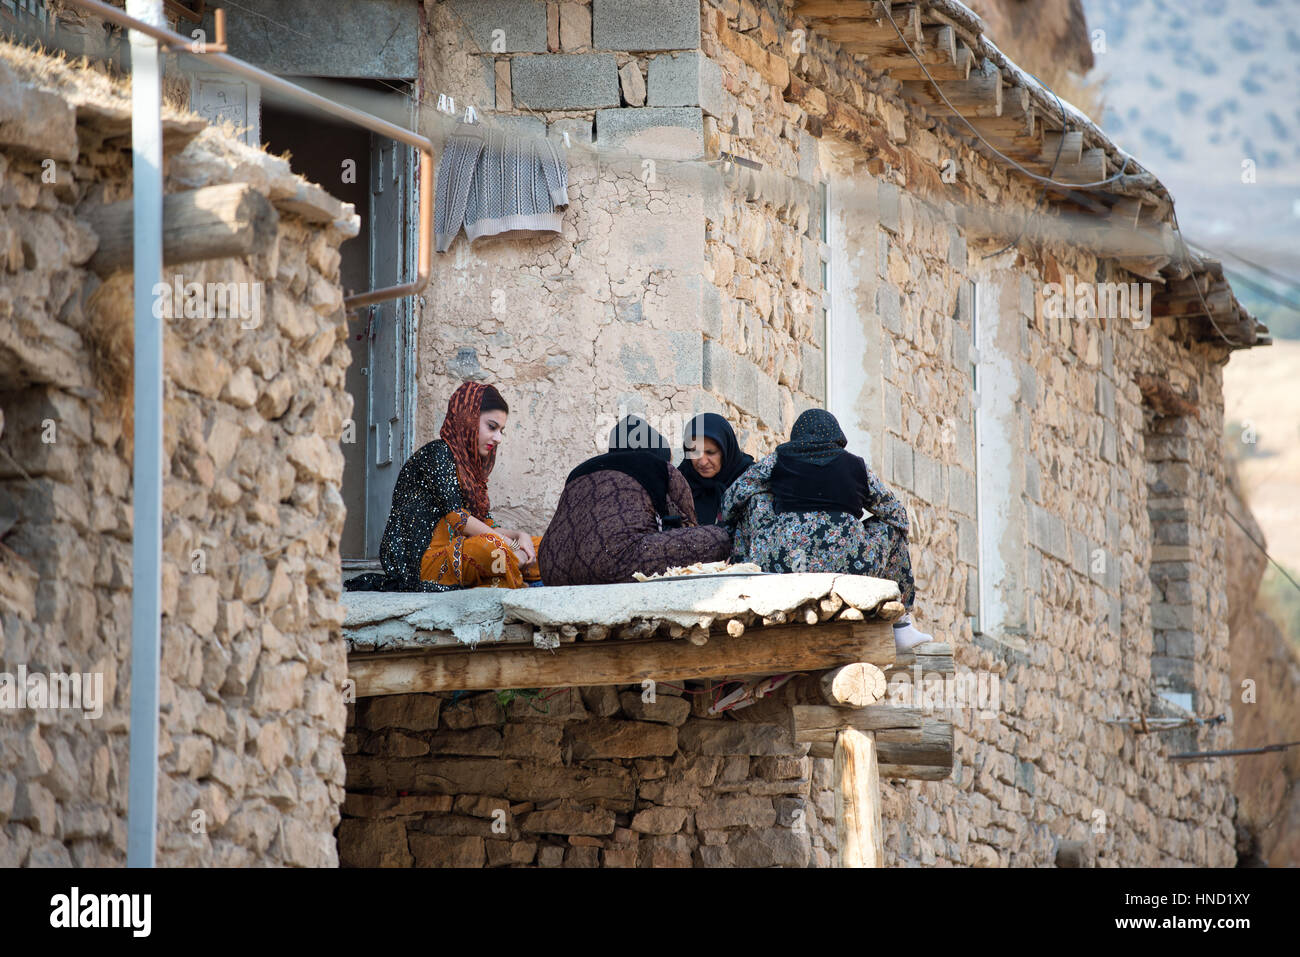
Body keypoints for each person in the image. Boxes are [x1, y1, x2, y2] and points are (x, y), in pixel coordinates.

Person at [720, 408, 932, 649]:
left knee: (755, 500)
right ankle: (901, 625)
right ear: (837, 436)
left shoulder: (779, 458)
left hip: (783, 562)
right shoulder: (855, 465)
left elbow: (732, 498)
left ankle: (743, 584)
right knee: (892, 528)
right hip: (851, 563)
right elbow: (897, 514)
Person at [345, 381, 542, 592]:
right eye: (492, 427)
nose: (498, 438)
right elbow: (458, 519)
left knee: (544, 546)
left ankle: (516, 565)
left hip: (460, 549)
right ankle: (516, 568)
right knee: (493, 550)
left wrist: (519, 535)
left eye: (501, 430)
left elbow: (485, 525)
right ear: (468, 419)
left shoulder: (471, 469)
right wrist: (510, 546)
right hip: (425, 562)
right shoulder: (438, 453)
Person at [537, 415, 732, 586]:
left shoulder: (579, 471)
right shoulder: (660, 467)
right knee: (720, 538)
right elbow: (688, 527)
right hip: (614, 562)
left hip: (550, 569)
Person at [677, 412, 755, 526]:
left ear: (726, 451)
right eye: (694, 452)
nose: (702, 462)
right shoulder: (679, 482)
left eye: (710, 452)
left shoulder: (751, 481)